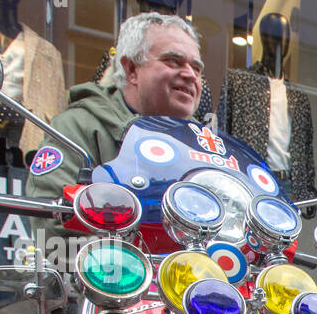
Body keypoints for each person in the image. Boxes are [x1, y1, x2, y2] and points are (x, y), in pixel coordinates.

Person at [27, 12, 203, 199]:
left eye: (197, 68)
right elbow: (54, 216)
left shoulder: (204, 142)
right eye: (174, 61)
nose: (190, 75)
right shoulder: (77, 127)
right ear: (132, 69)